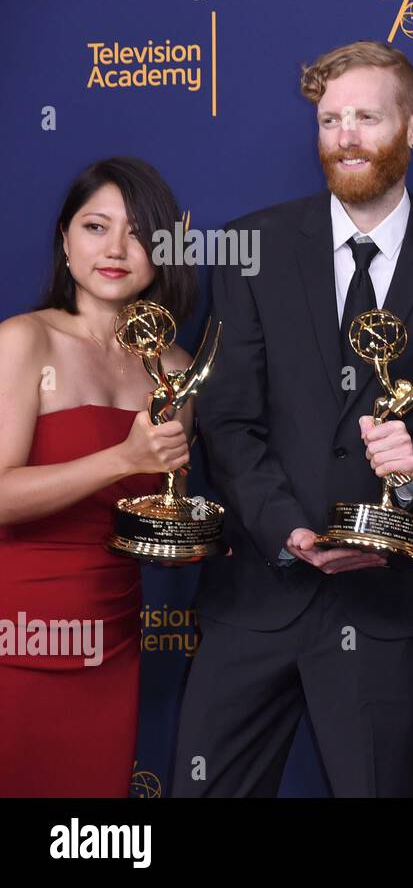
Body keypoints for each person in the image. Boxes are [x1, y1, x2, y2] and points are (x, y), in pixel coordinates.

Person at [171, 41, 413, 797]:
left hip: (384, 608)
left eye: (365, 117)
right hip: (256, 591)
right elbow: (227, 420)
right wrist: (288, 529)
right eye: (330, 120)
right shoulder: (251, 247)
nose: (345, 136)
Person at [0, 156, 196, 797]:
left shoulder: (176, 365)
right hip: (19, 631)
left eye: (138, 233)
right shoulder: (26, 341)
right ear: (64, 239)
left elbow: (166, 512)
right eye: (95, 226)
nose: (116, 249)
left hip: (112, 635)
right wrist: (120, 459)